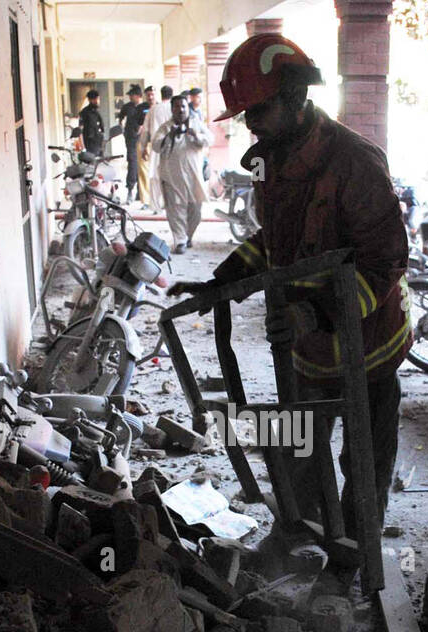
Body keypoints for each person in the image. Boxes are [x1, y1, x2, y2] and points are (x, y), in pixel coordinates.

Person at [166, 34, 411, 546]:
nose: (250, 124)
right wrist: (224, 281)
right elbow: (276, 241)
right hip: (307, 351)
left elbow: (383, 260)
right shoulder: (274, 160)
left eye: (258, 110)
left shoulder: (355, 163)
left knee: (363, 460)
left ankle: (355, 557)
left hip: (367, 348)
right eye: (244, 115)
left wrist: (315, 314)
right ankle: (301, 536)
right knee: (300, 444)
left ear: (297, 97)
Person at [153, 95, 213, 253]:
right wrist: (169, 136)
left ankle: (188, 236)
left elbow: (210, 140)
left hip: (194, 178)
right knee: (175, 211)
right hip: (172, 178)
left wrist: (195, 135)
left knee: (196, 212)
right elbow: (155, 146)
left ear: (188, 108)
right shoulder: (166, 127)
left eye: (183, 106)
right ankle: (180, 241)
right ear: (172, 109)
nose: (180, 110)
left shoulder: (197, 124)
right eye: (177, 107)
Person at [139, 85, 173, 212]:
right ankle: (170, 204)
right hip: (172, 147)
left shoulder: (153, 109)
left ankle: (155, 206)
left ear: (161, 94)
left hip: (156, 147)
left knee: (154, 176)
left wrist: (143, 148)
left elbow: (145, 131)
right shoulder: (175, 108)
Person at [118, 86, 146, 201]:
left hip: (143, 139)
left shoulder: (145, 107)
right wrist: (123, 129)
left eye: (132, 95)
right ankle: (130, 189)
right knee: (132, 163)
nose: (130, 97)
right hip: (130, 138)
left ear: (138, 96)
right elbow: (121, 118)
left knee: (143, 165)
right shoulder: (127, 107)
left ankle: (141, 192)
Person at [136, 86, 157, 206]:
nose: (150, 97)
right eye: (148, 95)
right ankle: (146, 200)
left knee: (157, 171)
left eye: (152, 94)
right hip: (144, 142)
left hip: (157, 143)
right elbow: (136, 125)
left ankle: (158, 199)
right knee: (144, 172)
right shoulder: (140, 108)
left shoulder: (159, 108)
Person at [78, 89, 104, 155]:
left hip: (98, 143)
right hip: (89, 143)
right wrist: (83, 147)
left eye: (97, 99)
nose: (96, 101)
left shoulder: (96, 112)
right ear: (89, 100)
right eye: (94, 99)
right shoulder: (84, 112)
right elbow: (80, 130)